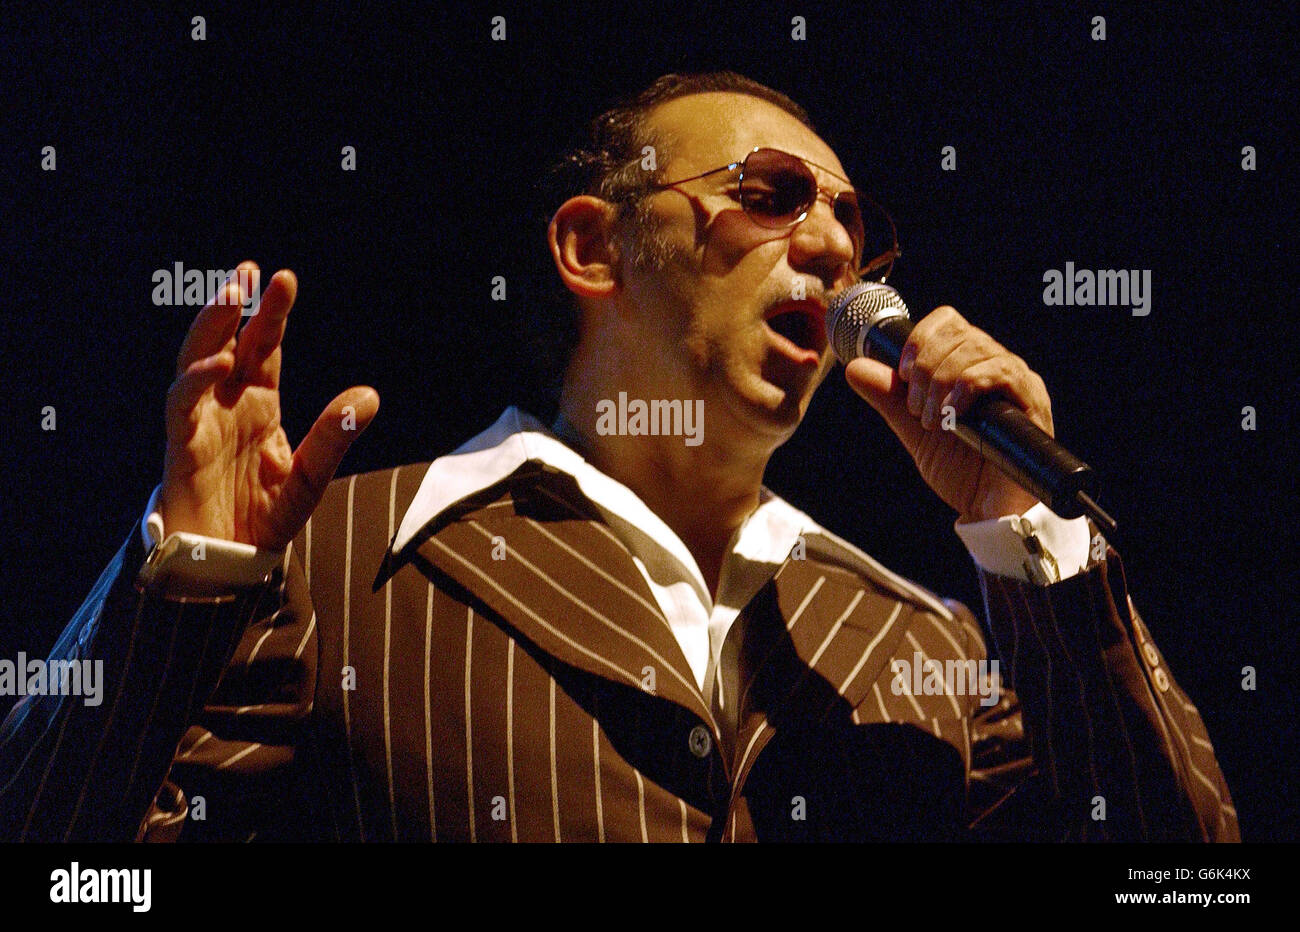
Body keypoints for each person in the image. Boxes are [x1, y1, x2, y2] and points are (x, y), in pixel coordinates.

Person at [1, 71, 1237, 842]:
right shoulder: (341, 556)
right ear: (593, 248)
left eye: (853, 226)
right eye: (772, 191)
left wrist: (1030, 537)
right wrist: (191, 582)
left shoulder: (933, 639)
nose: (830, 248)